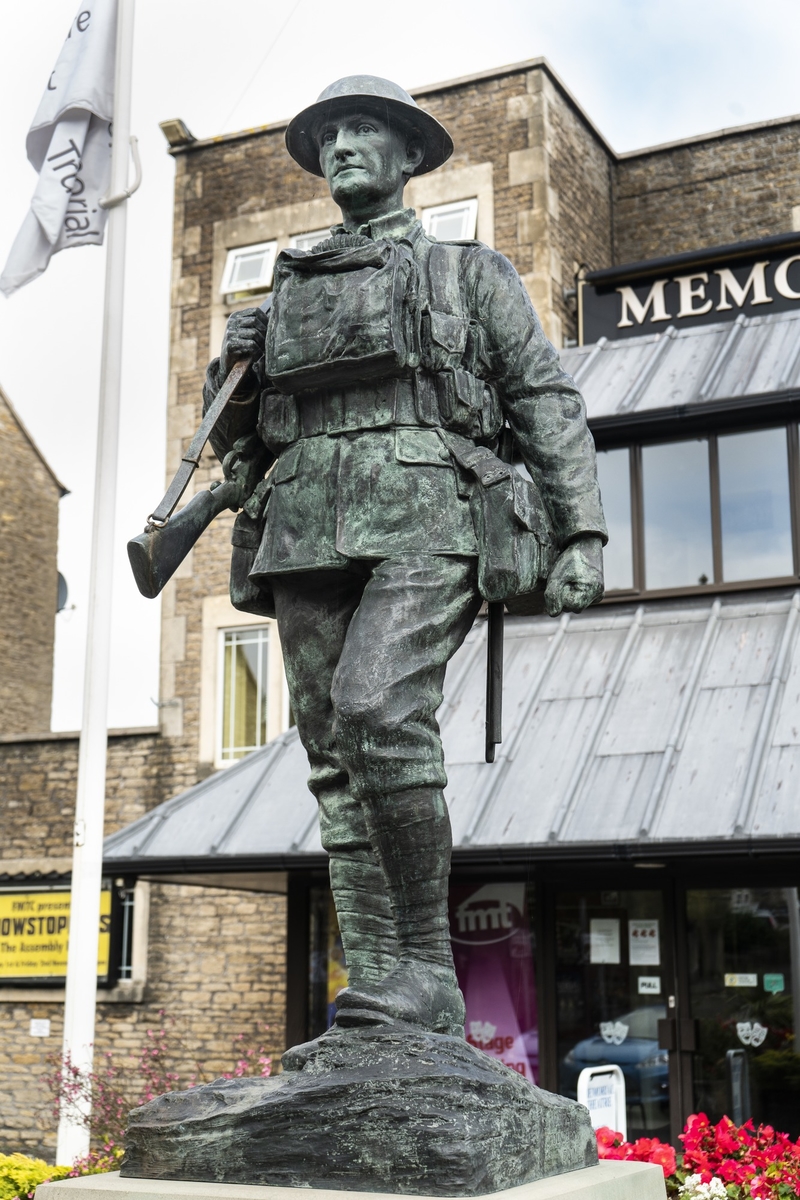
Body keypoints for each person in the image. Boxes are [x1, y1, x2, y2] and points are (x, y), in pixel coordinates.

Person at [202, 76, 607, 1044]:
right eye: (329, 134)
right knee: (334, 762)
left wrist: (579, 530)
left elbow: (544, 399)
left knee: (378, 708)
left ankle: (426, 965)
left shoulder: (470, 275)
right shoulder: (285, 291)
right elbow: (242, 452)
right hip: (304, 524)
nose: (340, 145)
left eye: (361, 131)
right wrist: (233, 375)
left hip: (428, 509)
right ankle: (378, 980)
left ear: (406, 157)